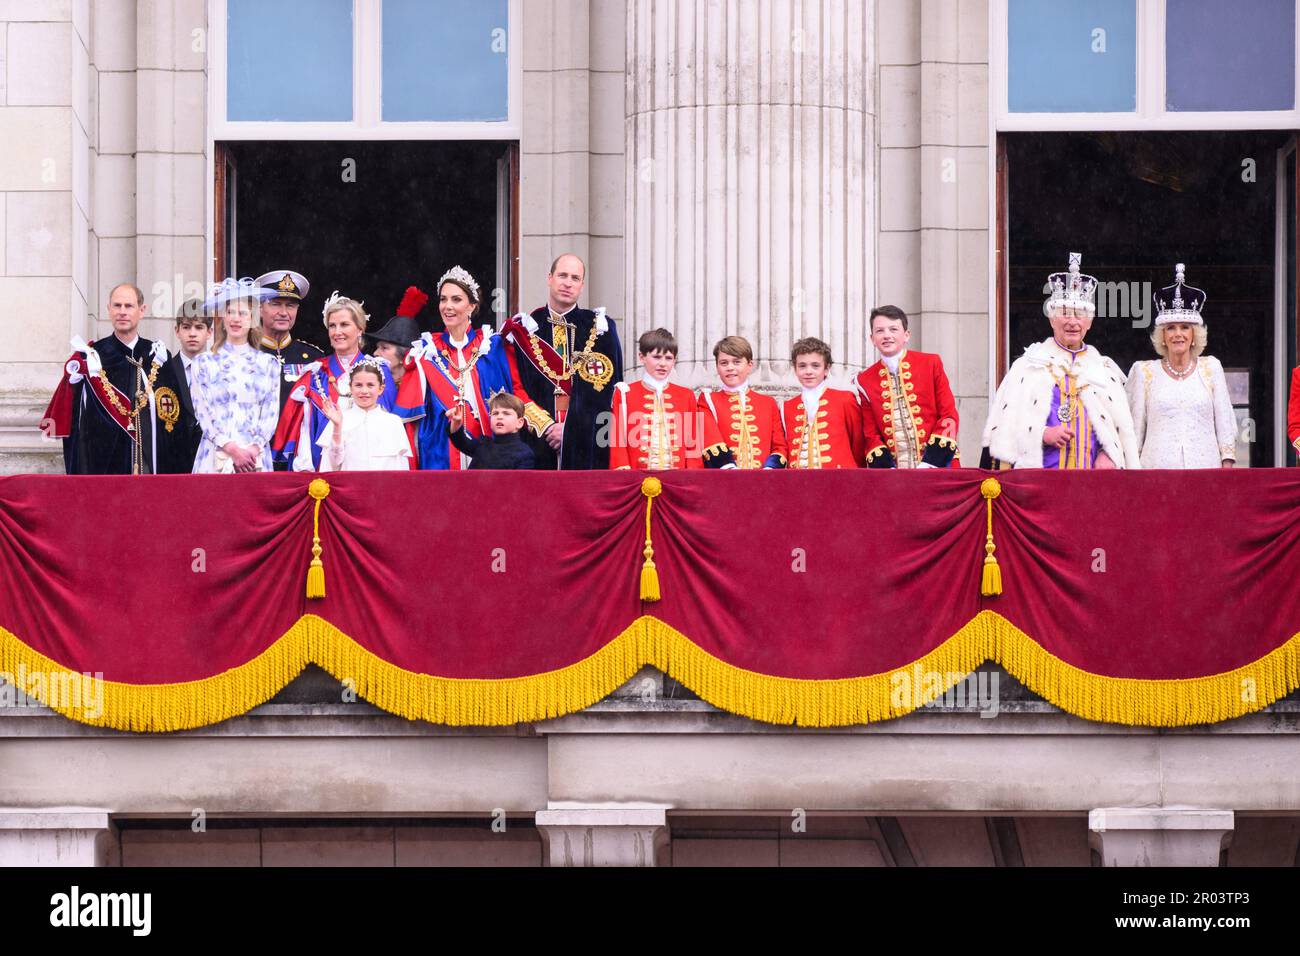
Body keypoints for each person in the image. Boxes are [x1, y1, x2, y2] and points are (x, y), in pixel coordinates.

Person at [982, 253, 1139, 470]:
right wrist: (1042, 433)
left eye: (1079, 314)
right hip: (1040, 482)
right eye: (1065, 313)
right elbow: (1004, 428)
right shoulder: (1028, 366)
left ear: (1090, 322)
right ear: (1052, 319)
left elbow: (1121, 432)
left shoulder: (1104, 371)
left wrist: (1109, 453)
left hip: (1090, 484)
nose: (1073, 322)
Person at [395, 266, 525, 470]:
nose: (447, 306)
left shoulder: (491, 347)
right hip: (440, 449)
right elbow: (409, 417)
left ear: (472, 306)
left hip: (487, 450)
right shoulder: (427, 351)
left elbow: (516, 394)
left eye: (456, 299)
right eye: (443, 299)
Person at [40, 282, 178, 474]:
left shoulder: (157, 355)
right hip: (105, 466)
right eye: (117, 305)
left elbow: (171, 418)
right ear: (109, 309)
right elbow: (76, 422)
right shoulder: (92, 358)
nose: (122, 312)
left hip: (151, 465)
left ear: (142, 310)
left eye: (128, 306)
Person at [500, 253, 623, 469]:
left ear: (582, 285)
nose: (568, 283)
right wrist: (547, 426)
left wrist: (570, 430)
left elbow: (607, 393)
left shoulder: (600, 328)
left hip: (588, 444)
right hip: (537, 441)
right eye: (562, 275)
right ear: (550, 278)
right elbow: (515, 387)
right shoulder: (525, 329)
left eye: (575, 278)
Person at [1126, 264, 1237, 469]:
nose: (1178, 334)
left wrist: (1226, 470)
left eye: (1185, 327)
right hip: (1155, 476)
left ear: (1194, 335)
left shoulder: (1211, 368)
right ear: (1163, 336)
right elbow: (1134, 431)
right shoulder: (1144, 372)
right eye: (1171, 328)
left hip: (1206, 475)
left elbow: (1225, 426)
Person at [273, 293, 398, 472]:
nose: (337, 332)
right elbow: (303, 436)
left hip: (371, 469)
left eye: (344, 324)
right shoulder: (315, 375)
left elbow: (391, 428)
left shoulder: (379, 372)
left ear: (360, 329)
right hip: (324, 470)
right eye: (332, 326)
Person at [609, 328, 732, 470]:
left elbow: (692, 444)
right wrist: (623, 472)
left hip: (677, 479)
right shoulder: (624, 393)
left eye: (668, 358)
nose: (663, 364)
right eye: (656, 357)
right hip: (637, 478)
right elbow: (618, 441)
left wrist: (692, 477)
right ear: (641, 357)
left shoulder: (686, 395)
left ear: (675, 360)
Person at [190, 279, 281, 473]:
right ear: (223, 318)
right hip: (216, 456)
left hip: (254, 459)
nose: (236, 319)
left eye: (242, 313)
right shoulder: (204, 363)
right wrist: (231, 448)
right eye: (230, 312)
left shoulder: (268, 364)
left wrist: (253, 449)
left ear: (252, 318)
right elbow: (203, 413)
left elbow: (270, 413)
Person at [854, 305, 960, 468]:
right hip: (894, 475)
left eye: (893, 329)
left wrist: (930, 462)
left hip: (939, 464)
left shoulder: (931, 363)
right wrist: (886, 469)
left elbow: (948, 414)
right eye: (880, 331)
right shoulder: (864, 380)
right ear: (872, 338)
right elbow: (870, 433)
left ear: (906, 335)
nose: (887, 335)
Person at [256, 269, 326, 471]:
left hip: (298, 457)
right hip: (257, 456)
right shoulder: (247, 354)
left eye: (291, 305)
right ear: (260, 308)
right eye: (275, 304)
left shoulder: (312, 357)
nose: (284, 312)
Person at [697, 336, 786, 469]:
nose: (730, 368)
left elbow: (780, 447)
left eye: (736, 362)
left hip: (763, 482)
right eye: (724, 363)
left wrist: (769, 471)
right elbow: (710, 439)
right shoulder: (708, 400)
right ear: (717, 367)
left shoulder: (768, 403)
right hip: (724, 480)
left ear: (750, 365)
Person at [316, 357, 413, 472]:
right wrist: (337, 426)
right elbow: (331, 466)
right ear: (350, 388)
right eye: (358, 385)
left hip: (383, 488)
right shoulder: (340, 419)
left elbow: (401, 467)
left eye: (370, 385)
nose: (364, 391)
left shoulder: (393, 422)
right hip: (350, 488)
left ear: (381, 389)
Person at [781, 337, 865, 469]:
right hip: (799, 484)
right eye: (802, 366)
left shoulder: (845, 399)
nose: (808, 371)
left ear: (826, 369)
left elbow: (859, 445)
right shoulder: (787, 407)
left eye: (815, 366)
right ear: (795, 369)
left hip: (840, 481)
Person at [159, 296, 211, 473]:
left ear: (210, 332)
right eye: (186, 327)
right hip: (174, 464)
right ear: (177, 331)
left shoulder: (219, 372)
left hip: (211, 461)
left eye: (199, 327)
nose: (192, 333)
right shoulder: (162, 372)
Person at [448, 391, 537, 470]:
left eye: (506, 413)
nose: (499, 417)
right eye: (495, 413)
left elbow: (520, 486)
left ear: (520, 423)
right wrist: (456, 423)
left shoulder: (524, 453)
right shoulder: (483, 443)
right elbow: (461, 442)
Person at [369, 286, 428, 388]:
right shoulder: (370, 387)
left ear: (404, 356)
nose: (375, 353)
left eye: (384, 348)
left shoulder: (420, 389)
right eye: (378, 347)